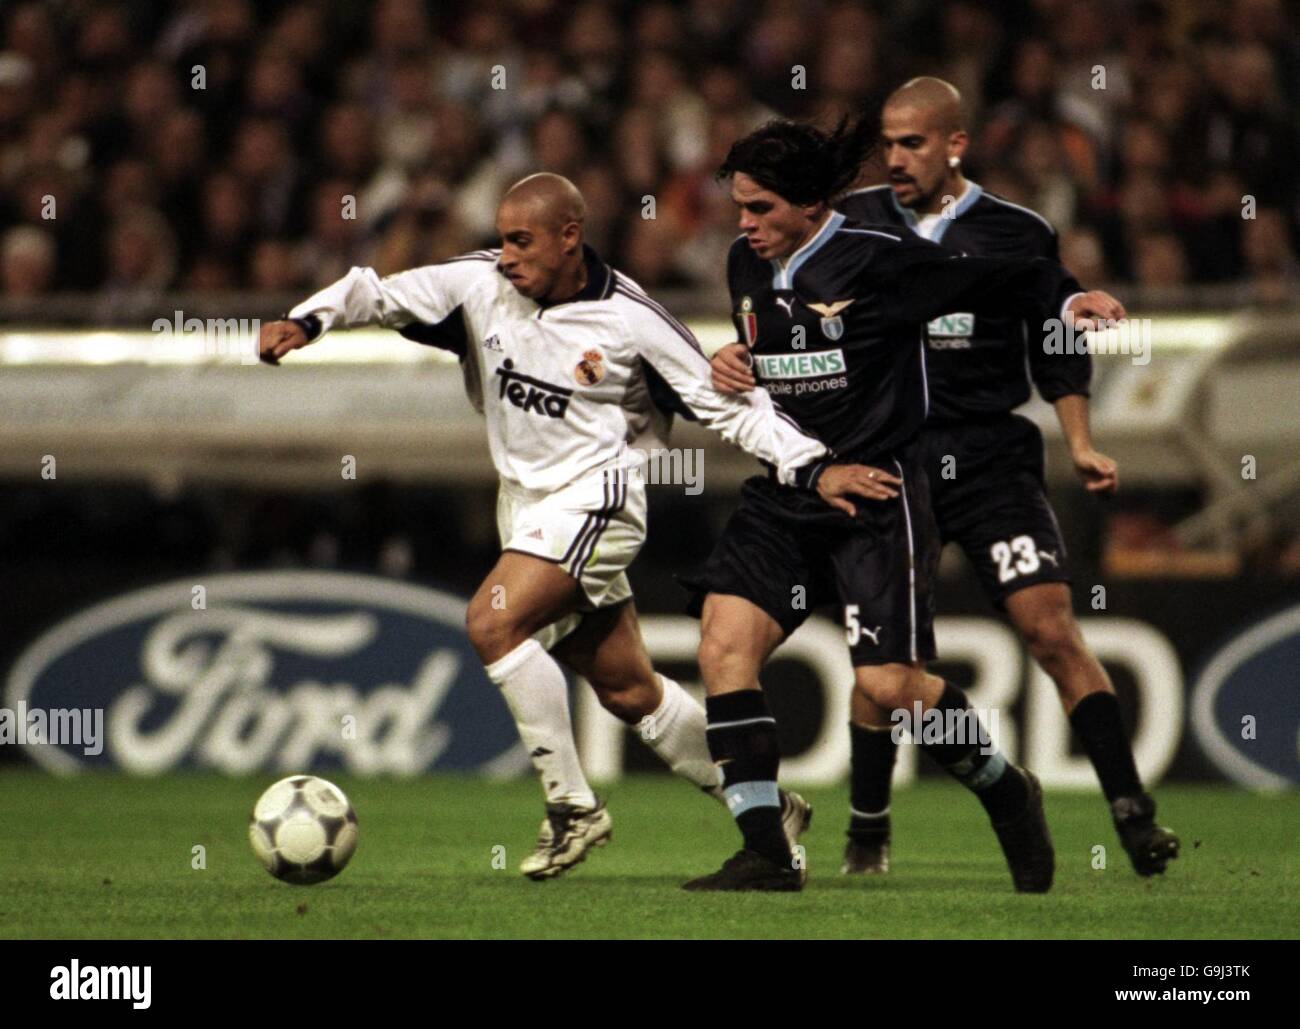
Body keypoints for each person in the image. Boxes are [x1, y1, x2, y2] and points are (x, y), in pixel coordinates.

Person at [258, 173, 859, 880]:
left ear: (569, 236)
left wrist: (813, 466)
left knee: (492, 622)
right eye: (502, 237)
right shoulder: (479, 283)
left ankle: (573, 806)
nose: (506, 255)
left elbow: (728, 406)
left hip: (599, 500)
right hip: (525, 504)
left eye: (522, 240)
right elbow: (375, 290)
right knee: (630, 689)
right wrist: (308, 319)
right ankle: (765, 805)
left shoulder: (632, 320)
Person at [686, 116, 1125, 892]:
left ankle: (1004, 786)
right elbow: (770, 353)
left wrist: (1069, 298)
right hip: (791, 486)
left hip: (880, 489)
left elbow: (1006, 274)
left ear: (811, 202)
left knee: (891, 687)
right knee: (724, 645)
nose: (744, 225)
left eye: (760, 210)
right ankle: (766, 850)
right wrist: (734, 358)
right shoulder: (743, 263)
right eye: (740, 208)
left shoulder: (882, 261)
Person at [825, 77, 1178, 878]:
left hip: (990, 458)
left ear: (956, 144)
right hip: (895, 457)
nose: (895, 158)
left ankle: (1131, 811)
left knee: (1053, 629)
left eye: (912, 143)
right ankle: (868, 827)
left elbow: (1057, 341)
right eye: (887, 142)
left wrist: (1080, 441)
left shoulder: (1017, 232)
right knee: (885, 665)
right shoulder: (857, 223)